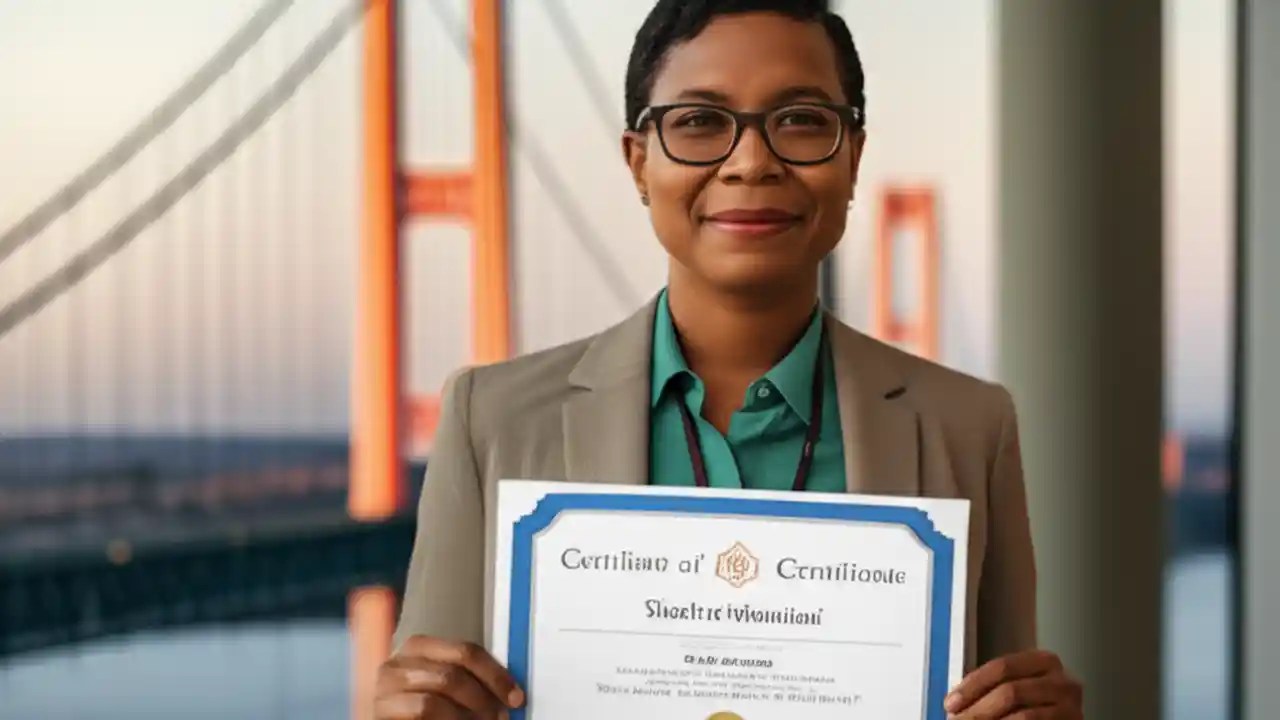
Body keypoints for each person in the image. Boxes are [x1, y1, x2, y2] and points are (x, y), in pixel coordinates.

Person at [375, 0, 1083, 718]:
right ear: (638, 162)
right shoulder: (490, 421)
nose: (751, 162)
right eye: (700, 122)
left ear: (853, 157)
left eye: (802, 120)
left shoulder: (971, 426)